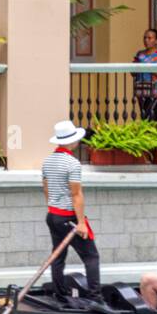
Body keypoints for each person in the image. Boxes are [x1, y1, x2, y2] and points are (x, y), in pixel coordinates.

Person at [42, 120, 101, 301]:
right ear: (72, 142)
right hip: (68, 217)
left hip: (52, 215)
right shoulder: (72, 163)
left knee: (58, 256)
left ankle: (60, 293)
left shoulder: (48, 161)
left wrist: (53, 207)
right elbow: (76, 194)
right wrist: (81, 223)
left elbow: (46, 188)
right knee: (91, 256)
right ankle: (95, 298)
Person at [133, 29, 157, 122]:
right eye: (145, 38)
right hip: (141, 89)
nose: (146, 40)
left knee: (156, 116)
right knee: (145, 116)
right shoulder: (140, 54)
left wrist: (151, 70)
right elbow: (133, 72)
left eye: (149, 38)